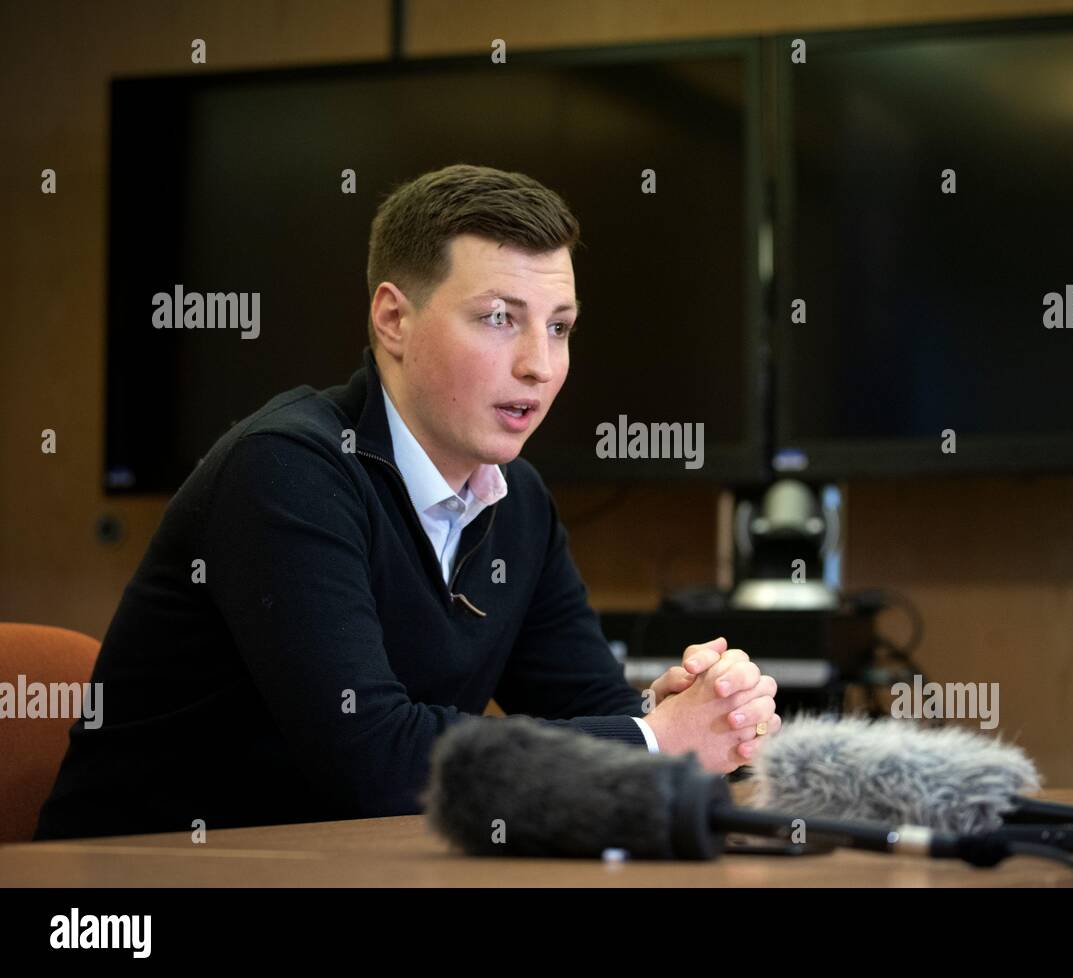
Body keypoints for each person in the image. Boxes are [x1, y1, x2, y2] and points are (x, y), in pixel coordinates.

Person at [34, 163, 780, 840]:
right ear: (393, 319)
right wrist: (660, 740)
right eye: (499, 318)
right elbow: (374, 761)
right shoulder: (286, 471)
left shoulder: (516, 500)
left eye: (559, 328)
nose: (540, 365)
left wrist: (689, 711)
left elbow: (582, 706)